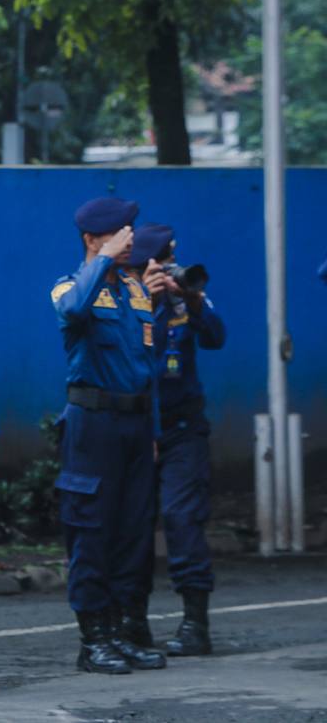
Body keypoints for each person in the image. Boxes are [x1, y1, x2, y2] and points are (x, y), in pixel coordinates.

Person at [50, 197, 168, 676]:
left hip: (136, 426)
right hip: (92, 424)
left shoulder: (137, 293)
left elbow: (146, 370)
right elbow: (74, 310)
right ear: (91, 239)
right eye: (120, 233)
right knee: (92, 530)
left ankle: (123, 630)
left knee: (134, 532)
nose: (130, 240)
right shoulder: (68, 286)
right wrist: (100, 262)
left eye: (130, 232)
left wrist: (154, 430)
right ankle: (93, 638)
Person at [128, 224, 225, 657]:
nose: (169, 270)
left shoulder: (184, 298)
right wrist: (144, 302)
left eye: (171, 261)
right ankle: (132, 621)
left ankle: (194, 623)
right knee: (132, 526)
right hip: (133, 429)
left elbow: (216, 338)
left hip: (182, 429)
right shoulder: (119, 296)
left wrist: (192, 300)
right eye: (160, 263)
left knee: (183, 519)